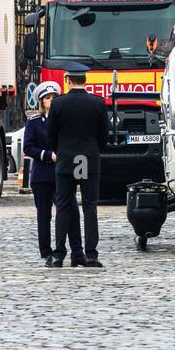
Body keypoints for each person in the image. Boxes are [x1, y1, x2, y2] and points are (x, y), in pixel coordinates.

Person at [46, 69, 109, 268]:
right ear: (85, 80)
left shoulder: (58, 103)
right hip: (89, 159)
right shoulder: (98, 103)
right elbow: (104, 136)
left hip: (66, 160)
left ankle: (59, 254)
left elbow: (51, 136)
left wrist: (61, 151)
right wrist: (93, 150)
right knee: (90, 207)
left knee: (63, 207)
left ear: (68, 80)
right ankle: (90, 253)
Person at [22, 81, 62, 266]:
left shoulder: (64, 120)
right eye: (48, 98)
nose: (51, 101)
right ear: (41, 101)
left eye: (54, 97)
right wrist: (47, 155)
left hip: (61, 173)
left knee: (64, 213)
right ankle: (46, 252)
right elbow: (28, 147)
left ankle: (61, 249)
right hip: (41, 175)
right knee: (44, 216)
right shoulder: (34, 122)